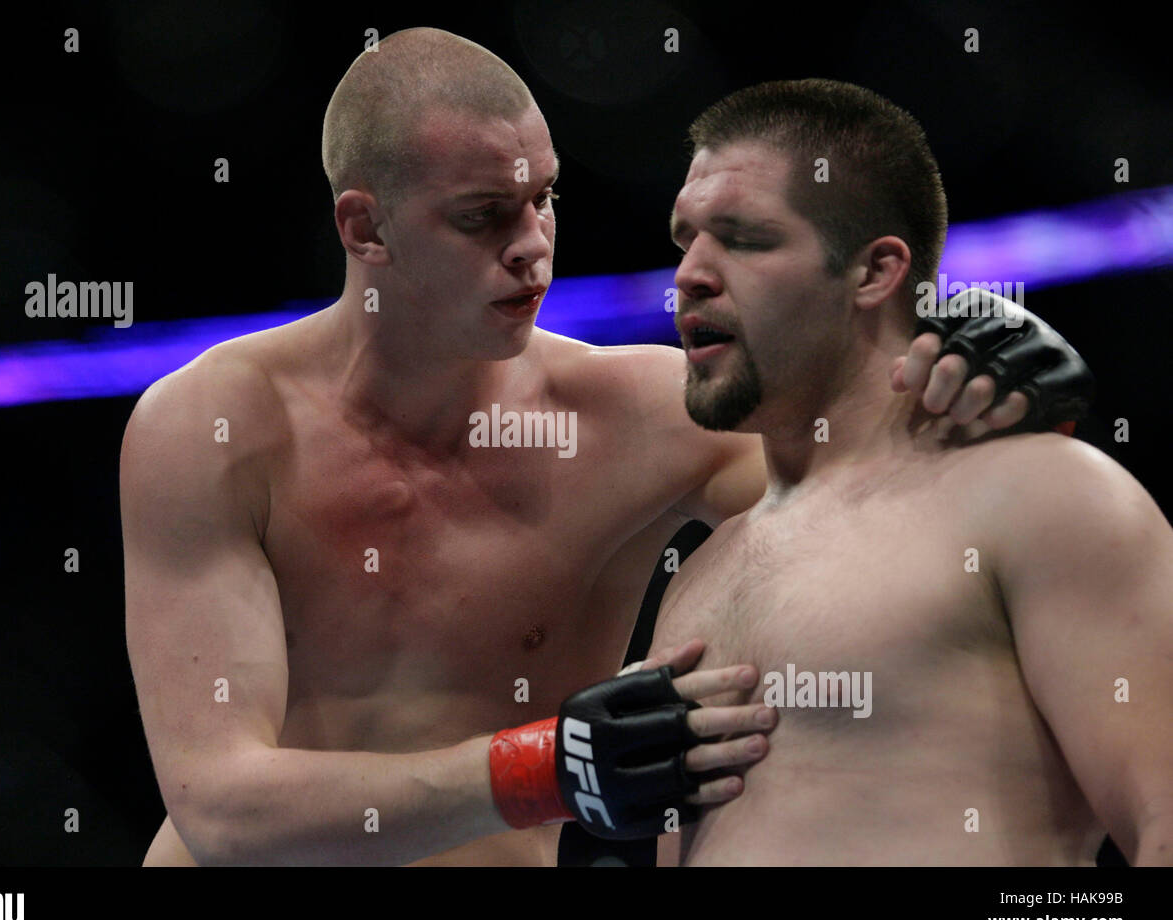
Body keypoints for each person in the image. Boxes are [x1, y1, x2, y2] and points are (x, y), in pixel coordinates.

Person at [121, 30, 1093, 866]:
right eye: (483, 216)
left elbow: (893, 512)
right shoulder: (212, 425)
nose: (532, 245)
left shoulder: (642, 417)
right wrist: (546, 764)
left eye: (543, 198)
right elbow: (220, 805)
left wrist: (973, 370)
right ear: (365, 228)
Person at [645, 78, 1172, 865]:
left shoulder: (1044, 494)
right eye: (685, 240)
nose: (690, 273)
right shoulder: (702, 571)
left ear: (873, 272)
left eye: (744, 238)